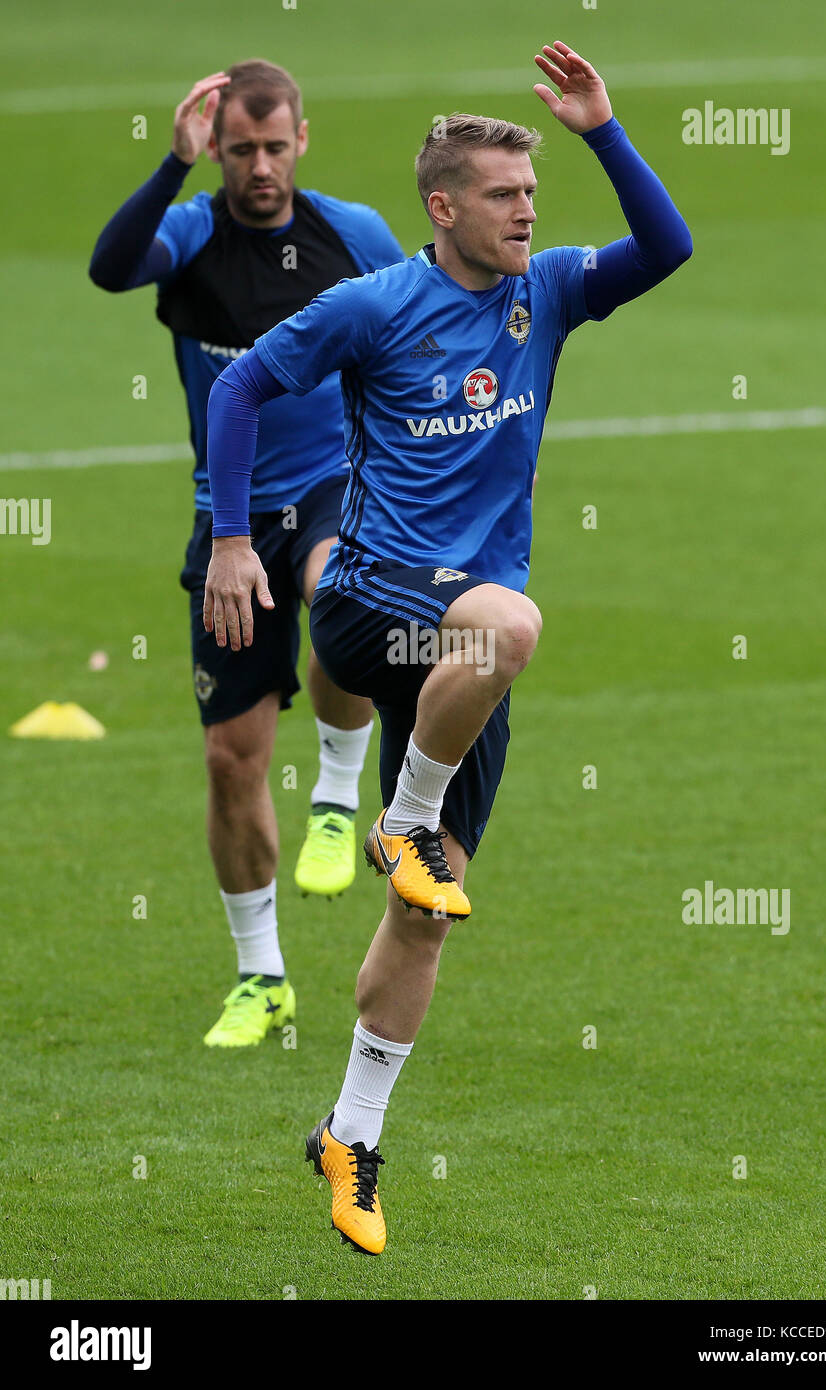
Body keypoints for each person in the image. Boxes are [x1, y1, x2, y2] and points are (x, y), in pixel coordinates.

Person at [203, 42, 692, 1250]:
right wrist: (229, 542)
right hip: (373, 604)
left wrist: (601, 129)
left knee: (430, 914)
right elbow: (240, 392)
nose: (528, 210)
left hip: (464, 667)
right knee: (512, 620)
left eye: (534, 194)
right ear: (443, 207)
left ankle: (350, 1136)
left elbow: (667, 246)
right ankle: (401, 817)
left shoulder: (550, 293)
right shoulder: (376, 304)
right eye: (503, 194)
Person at [89, 61, 404, 1048]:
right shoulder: (191, 233)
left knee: (340, 597)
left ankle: (334, 794)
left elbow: (413, 331)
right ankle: (261, 975)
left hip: (332, 487)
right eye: (239, 150)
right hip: (226, 513)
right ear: (217, 148)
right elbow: (110, 265)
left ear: (302, 139)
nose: (259, 167)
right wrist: (166, 166)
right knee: (230, 761)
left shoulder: (353, 233)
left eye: (274, 147)